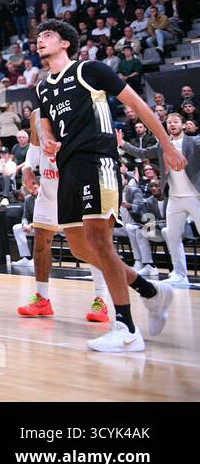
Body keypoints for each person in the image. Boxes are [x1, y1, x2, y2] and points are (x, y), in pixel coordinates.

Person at [33, 19, 180, 352]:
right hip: (67, 166)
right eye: (38, 37)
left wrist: (167, 145)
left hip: (97, 160)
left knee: (99, 241)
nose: (40, 41)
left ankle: (126, 328)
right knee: (80, 248)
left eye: (48, 35)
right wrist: (47, 139)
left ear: (65, 43)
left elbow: (137, 105)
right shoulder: (43, 86)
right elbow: (44, 121)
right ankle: (151, 291)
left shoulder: (91, 71)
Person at [14, 106, 112, 323]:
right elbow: (34, 146)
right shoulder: (36, 115)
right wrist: (28, 168)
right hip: (48, 186)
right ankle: (43, 298)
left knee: (87, 247)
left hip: (74, 183)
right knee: (40, 242)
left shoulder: (76, 107)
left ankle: (101, 298)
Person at [118, 112, 199, 288]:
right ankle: (180, 275)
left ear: (183, 125)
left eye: (176, 122)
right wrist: (123, 144)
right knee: (172, 235)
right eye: (169, 122)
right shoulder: (163, 146)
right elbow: (142, 152)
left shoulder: (194, 142)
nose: (172, 125)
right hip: (174, 198)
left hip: (195, 196)